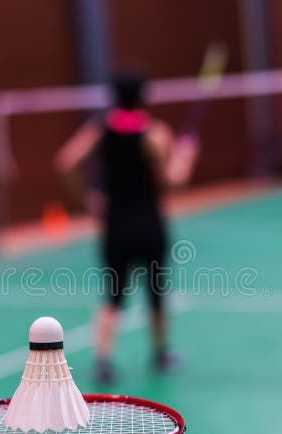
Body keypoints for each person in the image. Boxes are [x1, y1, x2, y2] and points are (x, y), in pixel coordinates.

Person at [54, 71, 199, 384]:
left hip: (115, 224)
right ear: (144, 96)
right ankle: (161, 353)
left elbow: (65, 161)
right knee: (156, 291)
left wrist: (88, 198)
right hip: (149, 224)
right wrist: (185, 158)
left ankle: (103, 361)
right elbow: (173, 182)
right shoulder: (155, 135)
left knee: (113, 295)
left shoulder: (100, 130)